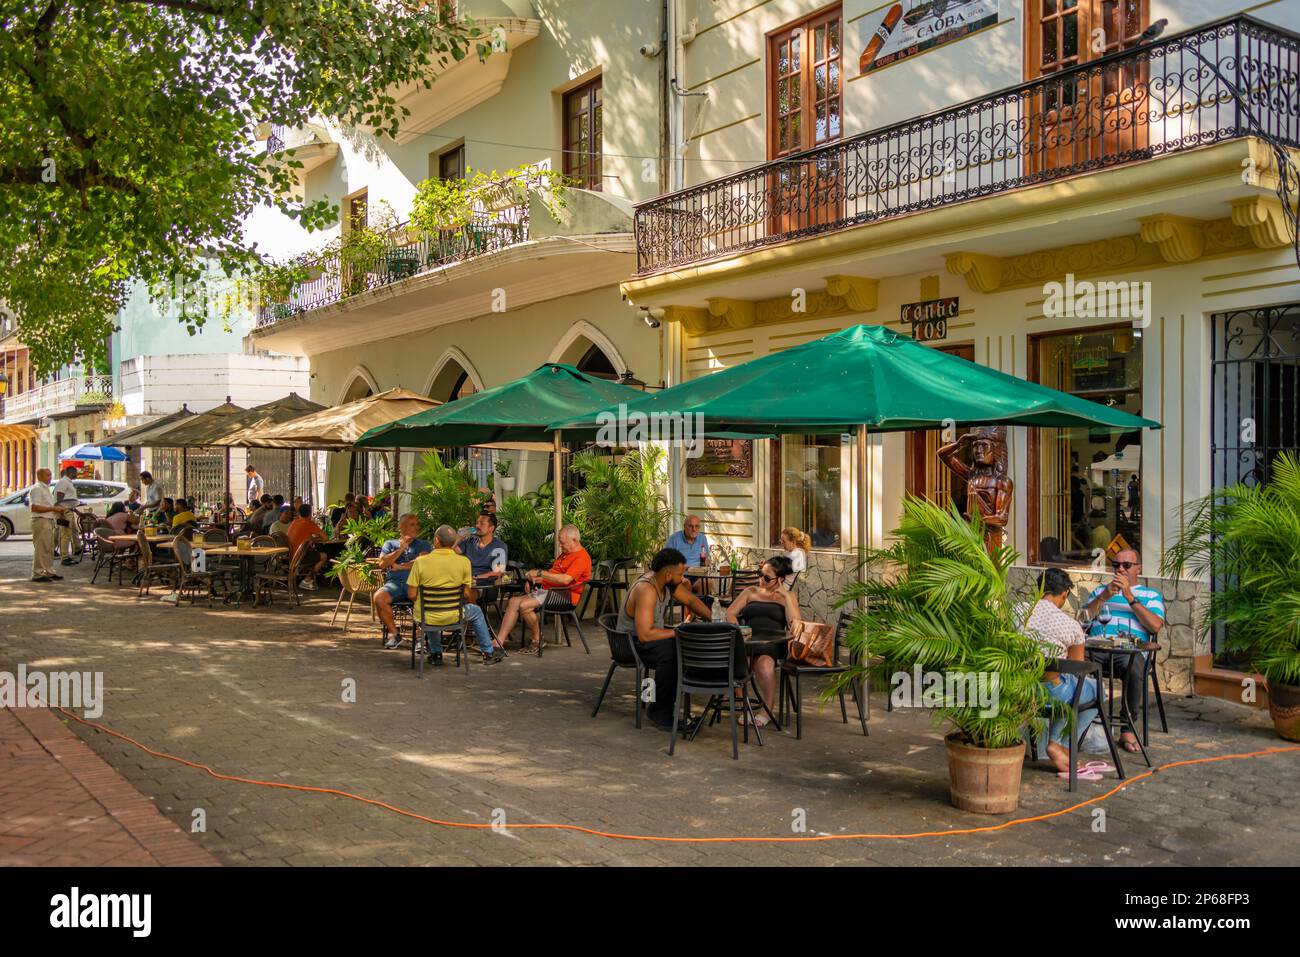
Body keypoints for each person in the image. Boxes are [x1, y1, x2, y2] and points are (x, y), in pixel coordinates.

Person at [616, 547, 714, 731]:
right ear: (668, 574)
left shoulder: (666, 583)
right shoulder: (647, 589)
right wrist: (679, 632)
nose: (683, 579)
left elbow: (691, 601)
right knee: (672, 654)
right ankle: (660, 713)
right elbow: (645, 635)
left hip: (649, 639)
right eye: (680, 574)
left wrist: (716, 620)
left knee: (682, 649)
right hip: (630, 643)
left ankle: (670, 707)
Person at [1084, 548, 1166, 753]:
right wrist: (1103, 596)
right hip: (1096, 648)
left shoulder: (1150, 595)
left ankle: (1127, 729)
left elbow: (1155, 626)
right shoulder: (1101, 591)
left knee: (1135, 667)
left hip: (1128, 651)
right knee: (1073, 660)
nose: (1120, 569)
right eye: (1116, 565)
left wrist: (1129, 596)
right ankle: (1084, 723)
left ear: (1138, 568)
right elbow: (1083, 619)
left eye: (1126, 565)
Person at [1024, 568, 1101, 775]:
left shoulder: (1016, 612)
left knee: (1066, 683)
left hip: (1018, 690)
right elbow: (1077, 670)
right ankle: (1060, 745)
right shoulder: (1070, 625)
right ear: (1065, 593)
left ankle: (1058, 746)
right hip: (1050, 693)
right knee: (1094, 688)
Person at [407, 525, 505, 666]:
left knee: (429, 612)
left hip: (426, 616)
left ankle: (436, 653)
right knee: (476, 611)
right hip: (454, 615)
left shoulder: (420, 562)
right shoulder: (464, 562)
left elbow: (411, 594)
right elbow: (466, 594)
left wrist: (433, 603)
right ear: (453, 542)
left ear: (436, 541)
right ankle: (488, 653)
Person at [726, 555, 802, 727]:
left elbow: (795, 623)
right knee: (739, 663)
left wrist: (786, 596)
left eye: (767, 578)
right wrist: (738, 630)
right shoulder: (750, 592)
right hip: (748, 641)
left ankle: (767, 709)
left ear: (780, 579)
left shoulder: (787, 597)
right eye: (761, 575)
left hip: (773, 643)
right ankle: (742, 704)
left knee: (765, 666)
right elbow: (730, 613)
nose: (761, 580)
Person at [496, 524, 592, 655]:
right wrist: (533, 580)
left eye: (562, 542)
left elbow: (565, 580)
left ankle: (537, 639)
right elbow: (554, 576)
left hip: (565, 596)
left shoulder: (581, 557)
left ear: (574, 540)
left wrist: (540, 573)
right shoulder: (565, 554)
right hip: (550, 591)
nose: (560, 545)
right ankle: (499, 642)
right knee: (513, 601)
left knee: (524, 606)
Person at [375, 513, 433, 649]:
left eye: (417, 524)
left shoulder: (424, 544)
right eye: (412, 524)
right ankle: (395, 635)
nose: (416, 527)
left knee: (423, 598)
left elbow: (422, 562)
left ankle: (420, 637)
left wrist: (399, 566)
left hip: (415, 583)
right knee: (378, 598)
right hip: (394, 584)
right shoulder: (390, 544)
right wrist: (401, 548)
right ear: (402, 527)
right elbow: (383, 564)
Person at [28, 468, 65, 582]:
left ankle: (49, 571)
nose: (50, 477)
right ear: (40, 476)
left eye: (50, 475)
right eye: (47, 475)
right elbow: (35, 507)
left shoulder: (46, 488)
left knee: (49, 548)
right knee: (41, 548)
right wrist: (53, 508)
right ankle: (37, 573)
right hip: (41, 520)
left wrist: (56, 510)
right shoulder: (37, 489)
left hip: (48, 520)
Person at [457, 511, 507, 586]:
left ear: (491, 528)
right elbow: (452, 551)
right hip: (465, 582)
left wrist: (475, 578)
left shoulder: (499, 547)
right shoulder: (470, 541)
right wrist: (460, 536)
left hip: (485, 585)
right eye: (477, 523)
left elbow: (497, 573)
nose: (477, 526)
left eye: (482, 524)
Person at [665, 515, 710, 595]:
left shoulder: (702, 538)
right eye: (690, 526)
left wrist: (706, 563)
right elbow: (665, 560)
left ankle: (700, 606)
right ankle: (688, 606)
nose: (694, 529)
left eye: (697, 526)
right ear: (684, 526)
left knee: (707, 583)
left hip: (698, 575)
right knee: (687, 583)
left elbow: (707, 559)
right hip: (680, 575)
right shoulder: (674, 538)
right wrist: (681, 567)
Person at [287, 503, 328, 587]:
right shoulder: (309, 523)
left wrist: (311, 539)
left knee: (313, 553)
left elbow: (302, 536)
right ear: (310, 514)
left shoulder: (295, 522)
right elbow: (325, 538)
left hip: (290, 555)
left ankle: (306, 577)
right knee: (324, 556)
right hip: (301, 556)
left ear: (299, 513)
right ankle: (307, 579)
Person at [53, 465, 81, 565]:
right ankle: (64, 557)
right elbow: (59, 498)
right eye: (75, 473)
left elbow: (68, 499)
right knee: (65, 534)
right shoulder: (64, 482)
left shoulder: (68, 482)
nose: (77, 474)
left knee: (72, 531)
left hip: (68, 510)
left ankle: (76, 549)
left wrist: (76, 511)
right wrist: (62, 512)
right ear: (71, 472)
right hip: (64, 511)